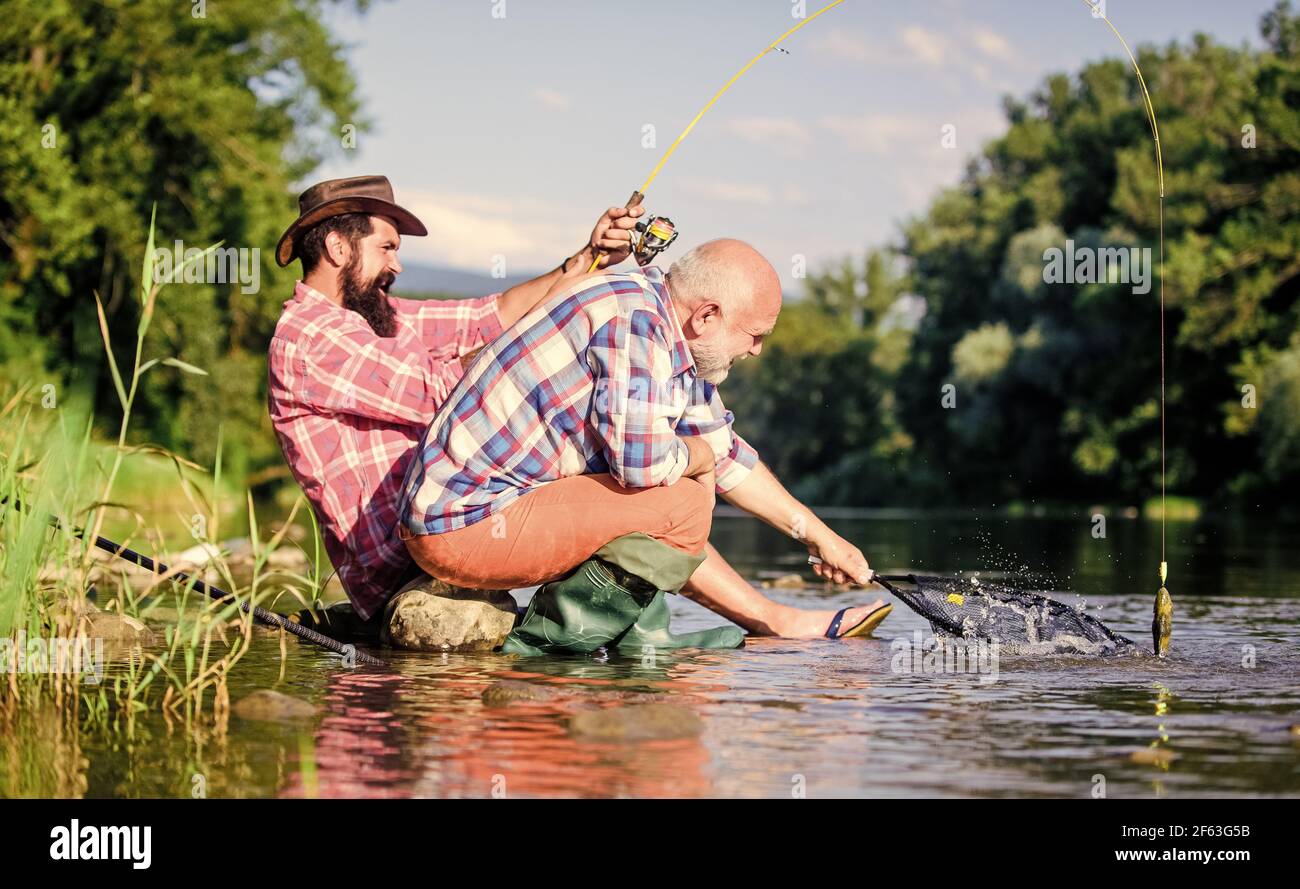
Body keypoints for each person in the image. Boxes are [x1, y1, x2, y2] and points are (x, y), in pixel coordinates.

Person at [399, 238, 891, 654]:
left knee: (676, 498)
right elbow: (646, 466)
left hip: (486, 513)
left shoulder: (670, 329)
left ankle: (768, 621)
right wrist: (699, 458)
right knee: (681, 500)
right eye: (755, 334)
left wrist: (821, 537)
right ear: (708, 315)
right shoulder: (635, 324)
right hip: (465, 524)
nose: (757, 350)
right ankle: (550, 647)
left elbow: (729, 455)